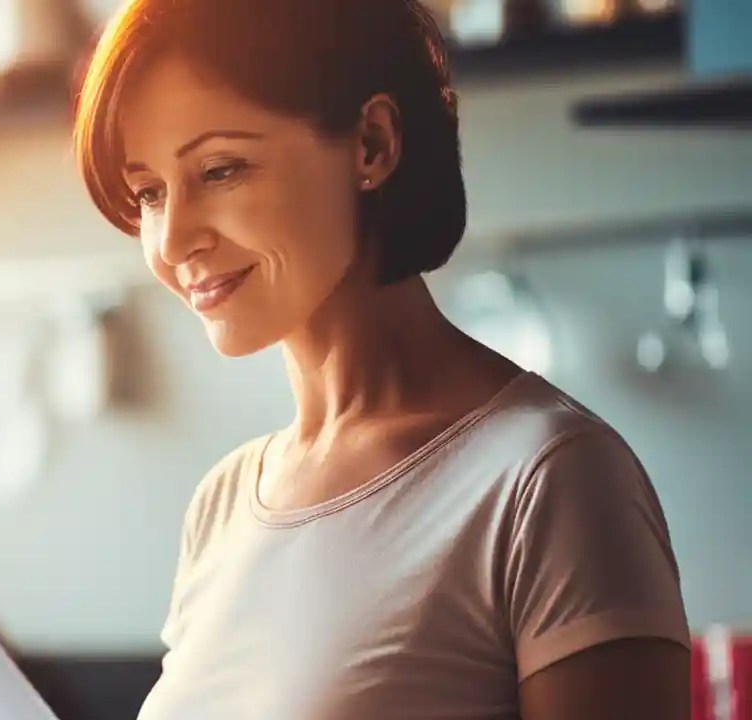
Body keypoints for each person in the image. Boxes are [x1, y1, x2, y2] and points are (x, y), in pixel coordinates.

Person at [71, 1, 692, 718]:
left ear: (371, 144)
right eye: (148, 192)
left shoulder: (547, 481)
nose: (173, 241)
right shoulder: (222, 505)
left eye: (220, 169)